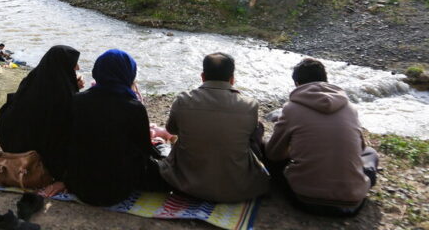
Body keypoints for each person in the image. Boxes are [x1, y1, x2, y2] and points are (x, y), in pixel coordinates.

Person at [265, 58, 379, 217]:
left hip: (305, 199)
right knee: (371, 153)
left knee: (271, 155)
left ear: (297, 84)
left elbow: (273, 154)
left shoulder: (291, 109)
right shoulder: (350, 108)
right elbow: (360, 150)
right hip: (352, 203)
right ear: (325, 80)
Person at [159, 53, 270, 203]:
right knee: (258, 129)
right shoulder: (249, 105)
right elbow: (251, 136)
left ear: (203, 77)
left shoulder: (183, 100)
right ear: (232, 79)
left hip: (185, 185)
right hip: (236, 189)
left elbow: (171, 130)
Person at [63, 49, 168, 206]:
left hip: (80, 186)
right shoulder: (134, 107)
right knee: (162, 157)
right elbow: (145, 149)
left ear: (97, 71)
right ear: (128, 73)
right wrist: (159, 145)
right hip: (117, 189)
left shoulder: (78, 100)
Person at [0, 45, 81, 182]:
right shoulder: (62, 91)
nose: (78, 67)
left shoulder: (33, 79)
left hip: (13, 143)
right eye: (74, 63)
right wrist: (75, 89)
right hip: (37, 152)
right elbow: (65, 121)